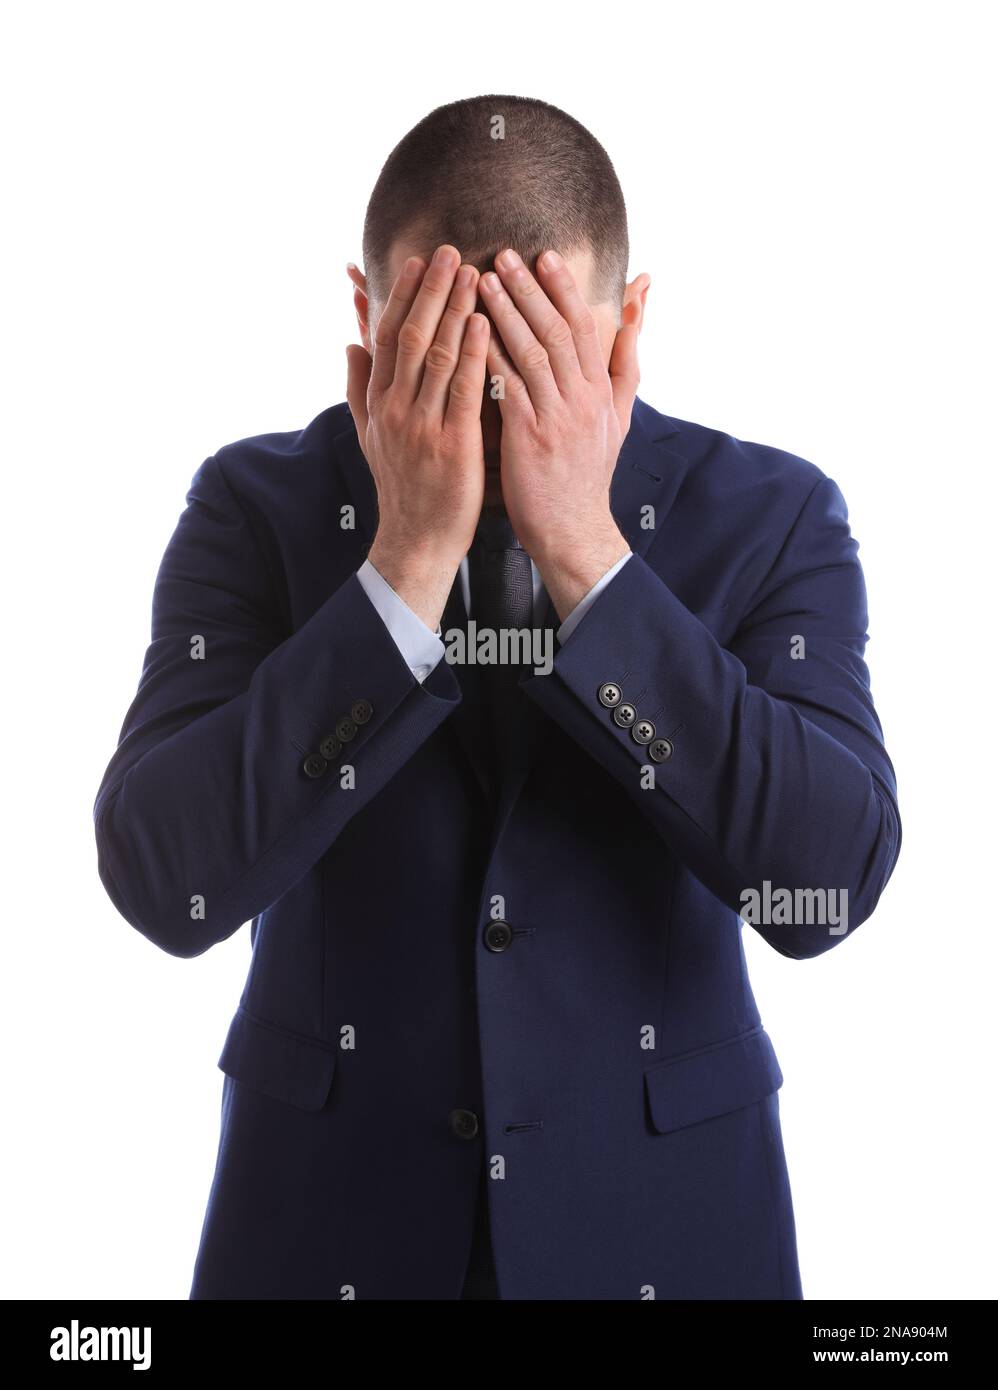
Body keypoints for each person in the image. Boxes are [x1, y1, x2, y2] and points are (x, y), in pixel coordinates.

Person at [92, 94, 901, 1300]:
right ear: (367, 319)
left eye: (535, 354)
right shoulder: (254, 507)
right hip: (323, 1236)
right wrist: (403, 567)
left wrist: (585, 550)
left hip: (664, 1239)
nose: (494, 406)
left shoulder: (771, 512)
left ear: (627, 325)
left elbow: (826, 883)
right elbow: (166, 883)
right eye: (453, 352)